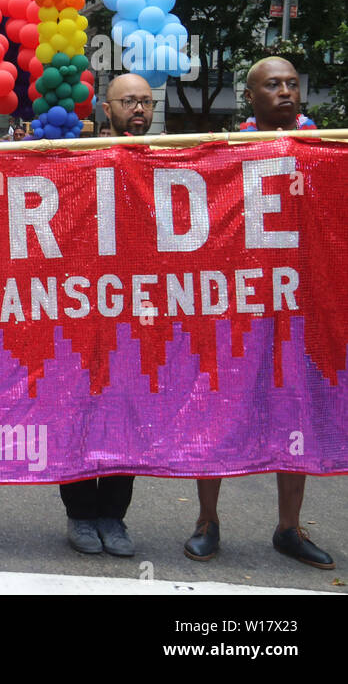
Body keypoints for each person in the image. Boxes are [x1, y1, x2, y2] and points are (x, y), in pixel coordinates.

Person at [185, 56, 333, 569]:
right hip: (239, 301)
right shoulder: (225, 154)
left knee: (298, 412)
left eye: (293, 83)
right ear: (251, 97)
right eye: (273, 84)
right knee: (217, 408)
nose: (286, 92)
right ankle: (207, 521)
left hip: (301, 304)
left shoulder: (327, 150)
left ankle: (288, 529)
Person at [56, 72, 155, 558]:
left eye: (145, 101)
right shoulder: (78, 159)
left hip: (137, 312)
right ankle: (79, 514)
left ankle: (113, 516)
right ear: (106, 109)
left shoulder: (170, 158)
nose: (138, 109)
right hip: (80, 309)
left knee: (124, 411)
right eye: (128, 101)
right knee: (77, 407)